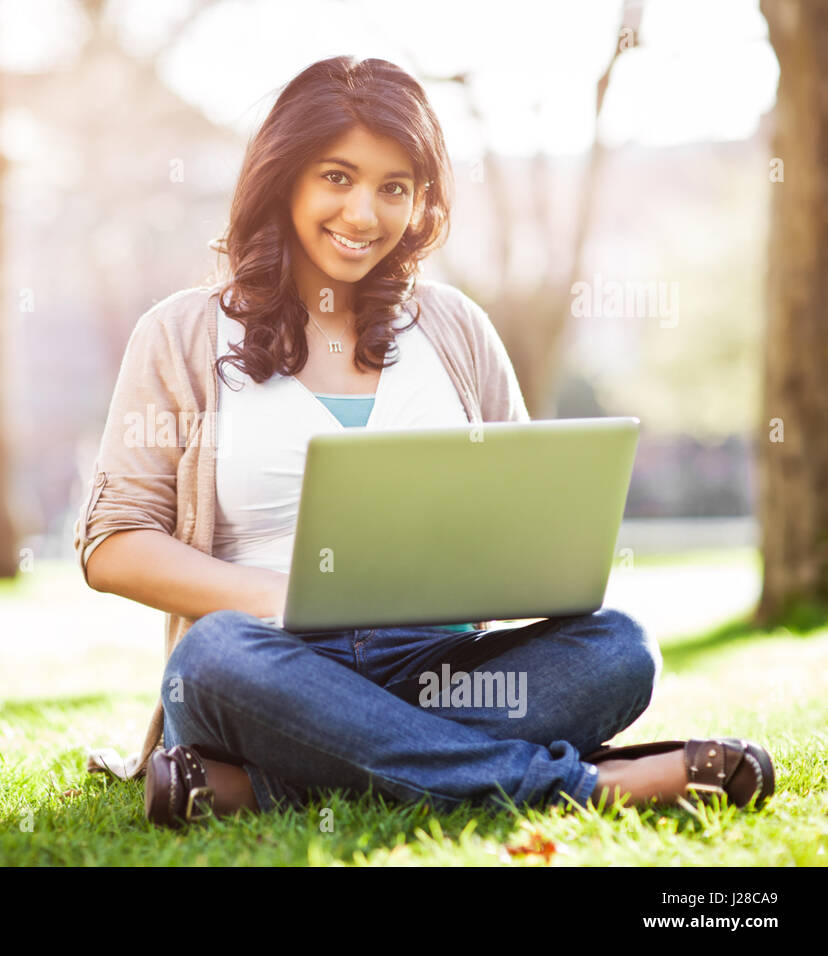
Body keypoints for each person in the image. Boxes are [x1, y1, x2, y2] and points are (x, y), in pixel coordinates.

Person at [74, 55, 774, 827]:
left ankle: (267, 787)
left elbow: (525, 513)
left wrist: (518, 566)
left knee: (620, 650)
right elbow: (112, 544)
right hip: (271, 670)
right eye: (336, 177)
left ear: (420, 200)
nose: (365, 213)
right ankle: (584, 786)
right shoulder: (181, 333)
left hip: (437, 669)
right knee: (212, 657)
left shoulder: (454, 328)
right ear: (283, 178)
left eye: (394, 187)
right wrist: (277, 600)